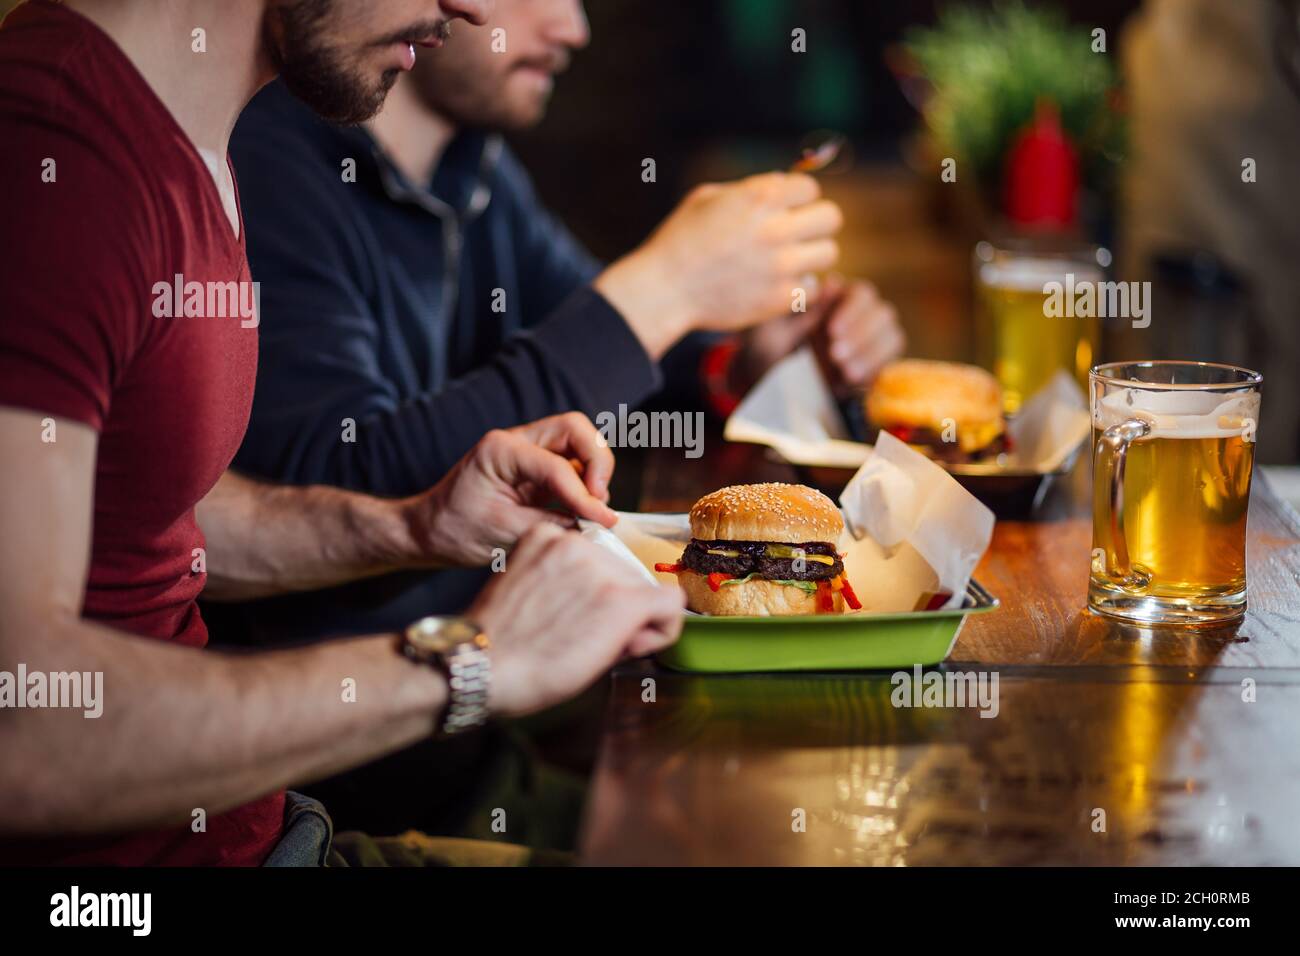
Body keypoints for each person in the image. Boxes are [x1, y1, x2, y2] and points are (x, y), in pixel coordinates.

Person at [0, 0, 685, 867]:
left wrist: (409, 525)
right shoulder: (54, 151)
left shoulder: (195, 137)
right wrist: (465, 666)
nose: (467, 7)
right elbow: (24, 727)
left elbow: (145, 517)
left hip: (266, 828)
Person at [224, 0, 903, 642]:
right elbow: (337, 486)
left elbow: (607, 356)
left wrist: (747, 358)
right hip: (368, 721)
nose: (572, 28)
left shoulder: (475, 166)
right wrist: (662, 290)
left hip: (504, 675)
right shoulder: (265, 161)